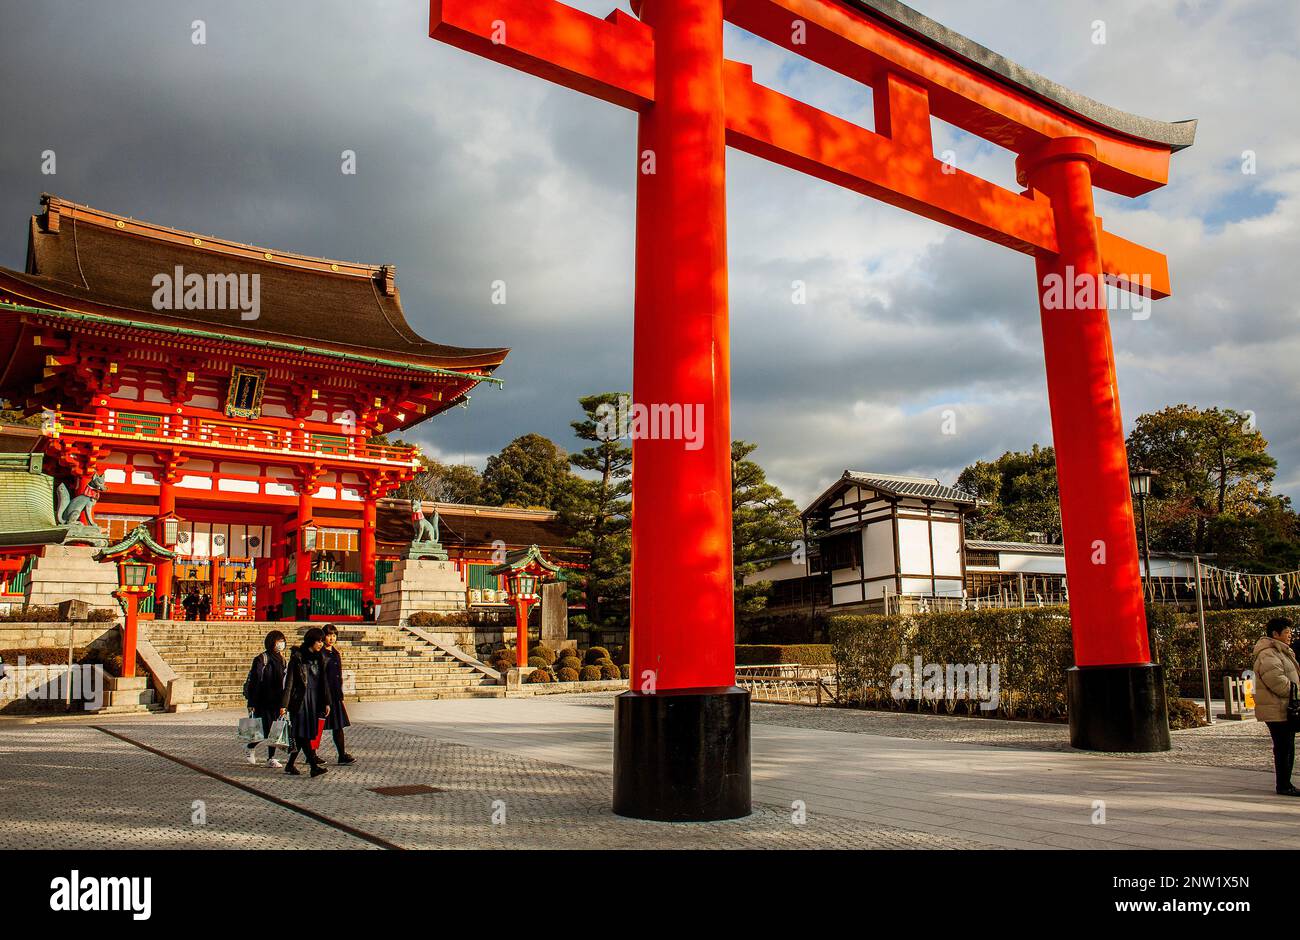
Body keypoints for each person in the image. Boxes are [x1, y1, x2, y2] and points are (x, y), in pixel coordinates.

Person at [1252, 616, 1300, 797]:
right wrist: (1296, 693)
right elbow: (1277, 682)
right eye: (1287, 632)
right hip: (1276, 708)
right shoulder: (1268, 653)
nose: (1290, 636)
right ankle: (1284, 785)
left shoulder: (1280, 651)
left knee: (1286, 746)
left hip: (1282, 707)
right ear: (1275, 634)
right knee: (1283, 746)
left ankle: (1286, 783)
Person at [280, 627, 333, 777]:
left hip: (313, 700)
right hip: (300, 701)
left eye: (322, 641)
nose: (321, 644)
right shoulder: (297, 658)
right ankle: (313, 766)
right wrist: (284, 704)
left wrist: (327, 702)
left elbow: (324, 682)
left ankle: (290, 765)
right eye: (319, 641)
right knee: (303, 735)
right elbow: (289, 684)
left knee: (301, 735)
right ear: (311, 641)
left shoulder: (319, 658)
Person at [243, 630, 288, 768]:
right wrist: (251, 702)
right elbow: (255, 681)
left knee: (275, 730)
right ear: (271, 642)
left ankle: (271, 757)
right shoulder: (262, 659)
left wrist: (285, 703)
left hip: (277, 700)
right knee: (261, 730)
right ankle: (250, 747)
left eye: (282, 641)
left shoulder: (283, 660)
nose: (281, 644)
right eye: (278, 641)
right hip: (262, 700)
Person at [321, 625, 355, 765]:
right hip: (323, 695)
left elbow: (338, 675)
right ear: (323, 636)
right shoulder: (320, 654)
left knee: (338, 726)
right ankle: (311, 753)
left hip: (335, 695)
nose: (332, 638)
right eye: (329, 635)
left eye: (334, 635)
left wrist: (340, 693)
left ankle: (341, 754)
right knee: (317, 727)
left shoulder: (335, 653)